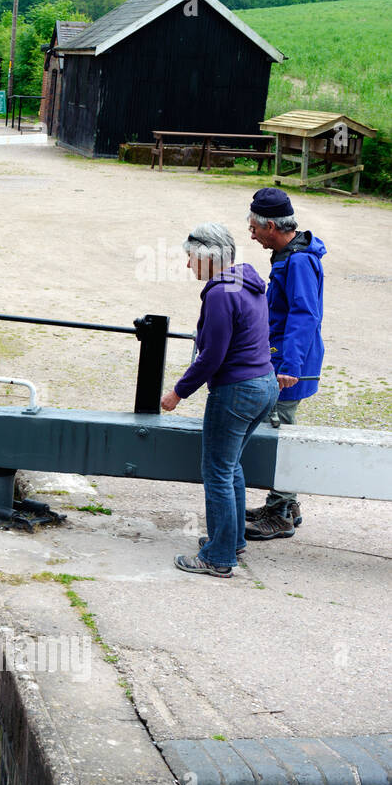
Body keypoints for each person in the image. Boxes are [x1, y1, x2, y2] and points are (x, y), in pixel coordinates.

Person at [161, 222, 277, 578]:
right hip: (264, 384)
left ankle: (220, 557)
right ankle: (232, 540)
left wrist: (177, 392)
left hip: (237, 391)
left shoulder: (220, 294)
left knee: (217, 471)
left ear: (208, 257)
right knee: (231, 466)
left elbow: (211, 355)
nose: (187, 266)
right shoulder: (247, 281)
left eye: (190, 258)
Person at [244, 187, 326, 540]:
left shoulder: (298, 261)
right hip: (283, 358)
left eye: (254, 227)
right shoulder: (289, 256)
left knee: (281, 433)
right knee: (280, 427)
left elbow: (305, 315)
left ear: (272, 225)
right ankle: (285, 503)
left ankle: (281, 512)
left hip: (290, 365)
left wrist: (289, 365)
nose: (251, 233)